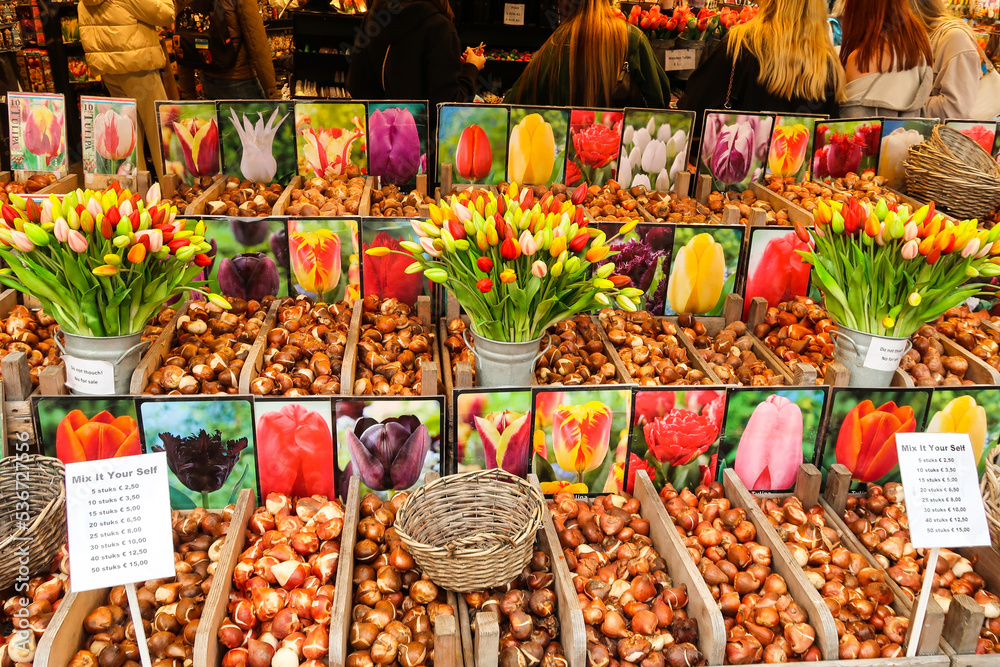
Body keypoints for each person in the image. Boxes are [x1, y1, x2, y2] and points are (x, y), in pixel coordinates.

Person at [679, 0, 844, 119]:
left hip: (739, 161)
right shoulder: (829, 62)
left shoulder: (742, 43)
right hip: (797, 164)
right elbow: (827, 130)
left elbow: (694, 106)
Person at [504, 0, 669, 108]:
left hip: (566, 152)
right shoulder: (632, 38)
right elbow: (660, 99)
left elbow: (513, 102)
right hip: (620, 153)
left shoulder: (556, 43)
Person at [78, 0, 174, 180]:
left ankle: (138, 192)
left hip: (109, 70)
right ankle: (171, 190)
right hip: (138, 67)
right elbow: (166, 14)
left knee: (128, 134)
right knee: (159, 130)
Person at [347, 0, 485, 107]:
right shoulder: (440, 28)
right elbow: (448, 107)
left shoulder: (373, 18)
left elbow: (356, 86)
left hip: (375, 134)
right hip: (421, 139)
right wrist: (471, 68)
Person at [839, 0, 933, 117]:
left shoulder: (863, 58)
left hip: (873, 134)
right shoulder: (920, 46)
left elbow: (853, 123)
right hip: (913, 132)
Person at [175, 0, 280, 100]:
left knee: (219, 118)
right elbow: (256, 40)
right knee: (257, 118)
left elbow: (181, 38)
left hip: (207, 77)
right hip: (239, 78)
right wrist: (271, 92)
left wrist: (188, 92)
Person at [910, 0, 982, 119]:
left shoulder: (954, 37)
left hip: (940, 134)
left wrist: (902, 104)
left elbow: (956, 109)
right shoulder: (914, 35)